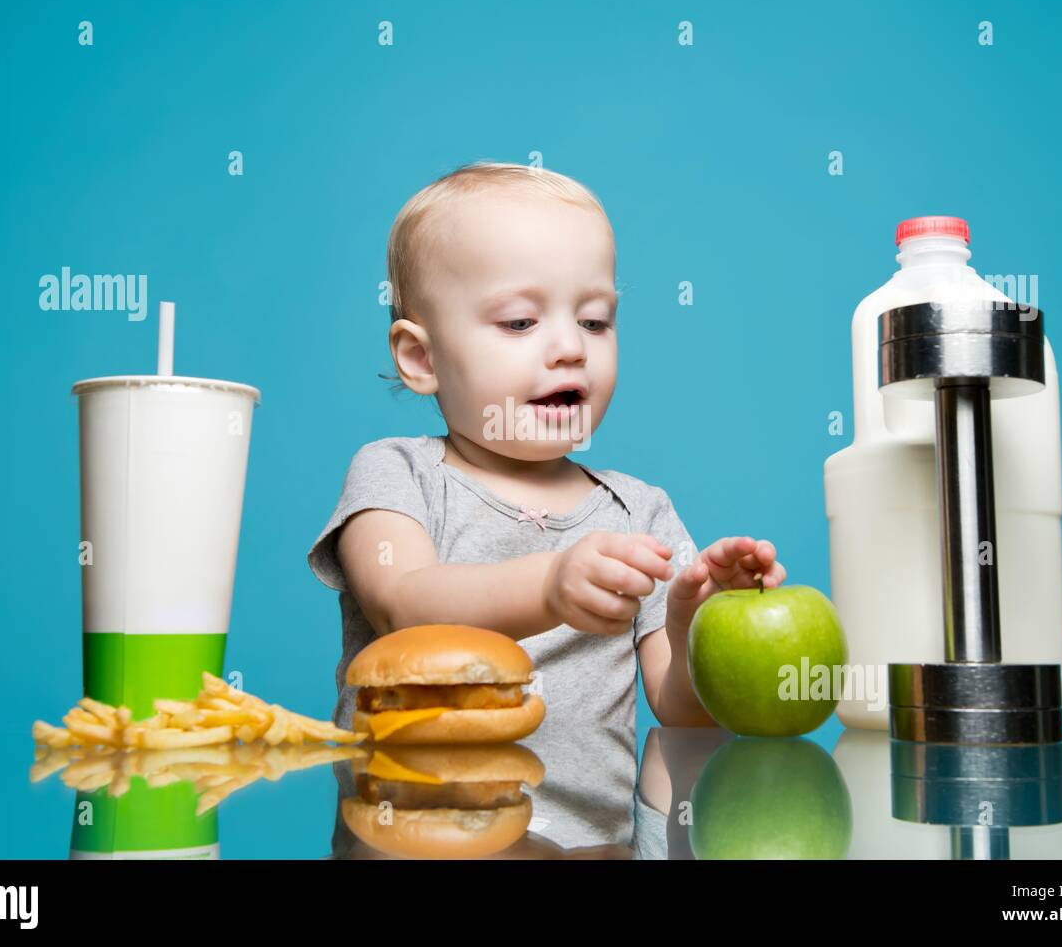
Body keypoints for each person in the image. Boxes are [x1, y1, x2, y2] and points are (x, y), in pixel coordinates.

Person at [307, 161, 785, 741]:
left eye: (594, 320)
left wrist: (695, 632)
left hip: (597, 837)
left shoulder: (640, 513)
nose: (569, 347)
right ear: (421, 359)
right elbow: (401, 606)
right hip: (405, 822)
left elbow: (680, 710)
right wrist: (548, 586)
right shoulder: (396, 472)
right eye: (519, 321)